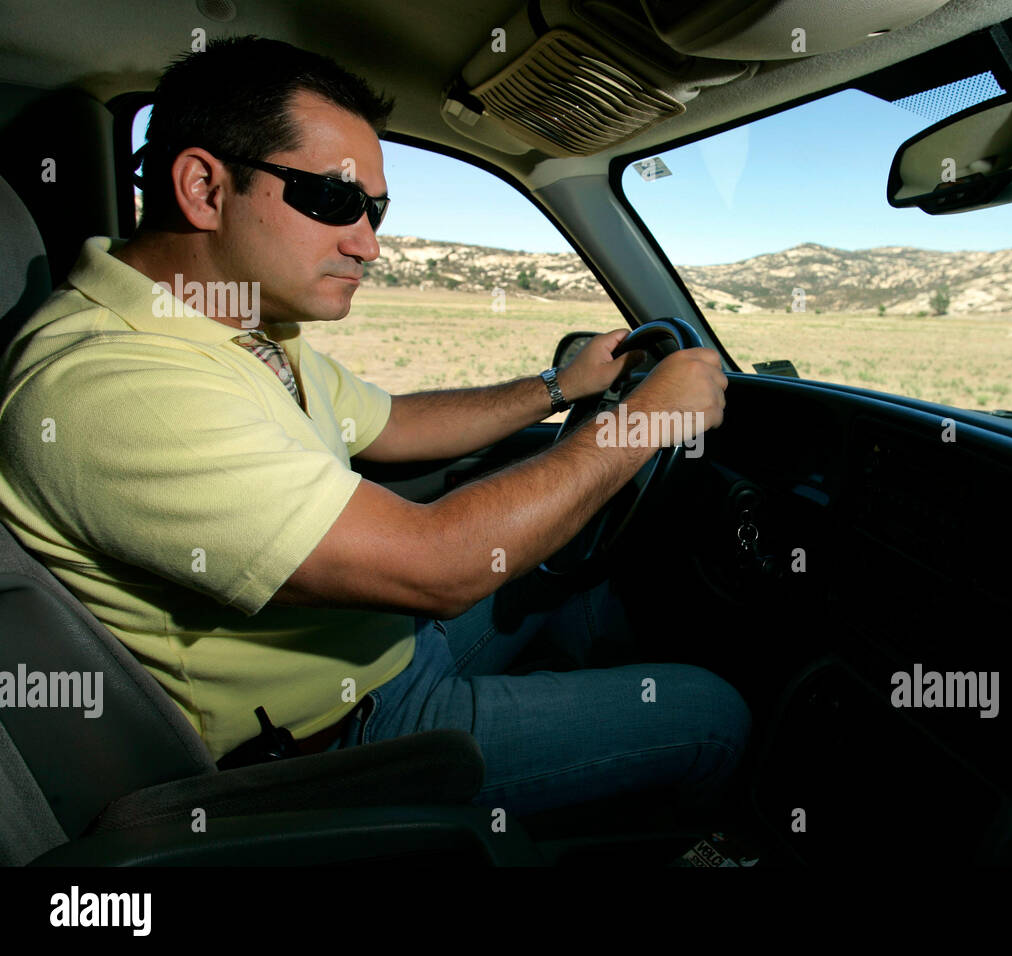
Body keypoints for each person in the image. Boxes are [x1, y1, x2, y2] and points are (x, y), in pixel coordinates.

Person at [0, 36, 750, 820]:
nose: (368, 242)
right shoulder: (116, 386)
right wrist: (643, 423)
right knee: (716, 718)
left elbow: (392, 424)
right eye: (334, 200)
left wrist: (560, 387)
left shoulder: (237, 326)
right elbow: (440, 566)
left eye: (375, 210)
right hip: (340, 742)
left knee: (580, 584)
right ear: (202, 187)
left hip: (384, 646)